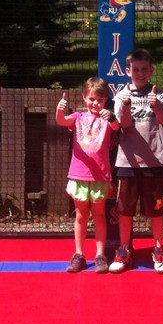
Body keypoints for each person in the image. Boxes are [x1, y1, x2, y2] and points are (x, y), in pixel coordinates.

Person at [109, 48, 163, 274]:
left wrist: (156, 105)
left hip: (155, 162)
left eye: (144, 69)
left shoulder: (160, 94)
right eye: (136, 69)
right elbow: (123, 125)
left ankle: (158, 249)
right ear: (128, 71)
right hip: (128, 161)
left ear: (151, 70)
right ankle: (124, 251)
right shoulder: (120, 96)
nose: (140, 73)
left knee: (157, 209)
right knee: (125, 210)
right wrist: (125, 105)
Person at [57, 77, 120, 273]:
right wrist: (60, 109)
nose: (95, 103)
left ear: (105, 100)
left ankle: (100, 255)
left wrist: (111, 117)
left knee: (99, 215)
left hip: (100, 176)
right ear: (85, 97)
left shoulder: (107, 119)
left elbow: (118, 127)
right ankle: (79, 254)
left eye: (100, 100)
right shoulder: (77, 117)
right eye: (92, 98)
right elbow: (61, 121)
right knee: (81, 216)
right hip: (79, 175)